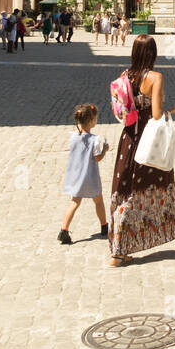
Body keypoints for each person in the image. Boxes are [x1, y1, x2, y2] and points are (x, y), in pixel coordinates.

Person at [107, 35, 175, 266]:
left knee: (127, 188)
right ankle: (119, 252)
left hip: (129, 139)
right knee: (162, 187)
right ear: (153, 54)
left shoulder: (124, 76)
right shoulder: (156, 77)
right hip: (149, 141)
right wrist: (173, 110)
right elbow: (157, 114)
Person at [59, 103, 111, 244]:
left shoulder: (73, 136)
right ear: (92, 121)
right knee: (98, 200)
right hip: (90, 177)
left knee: (74, 202)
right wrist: (104, 150)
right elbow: (97, 158)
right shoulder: (94, 140)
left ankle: (64, 229)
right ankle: (104, 226)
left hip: (76, 176)